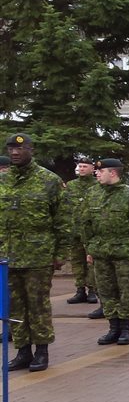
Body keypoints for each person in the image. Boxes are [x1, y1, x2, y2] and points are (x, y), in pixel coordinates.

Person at [0, 134, 69, 372]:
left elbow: (63, 220)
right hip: (9, 256)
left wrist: (60, 252)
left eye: (20, 149)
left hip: (39, 255)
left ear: (31, 150)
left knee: (38, 305)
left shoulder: (49, 181)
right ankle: (22, 352)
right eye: (11, 149)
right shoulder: (3, 181)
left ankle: (41, 351)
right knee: (14, 306)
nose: (15, 153)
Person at [80, 158, 129, 346]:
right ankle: (113, 327)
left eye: (101, 172)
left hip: (123, 252)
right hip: (100, 252)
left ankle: (126, 328)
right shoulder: (92, 195)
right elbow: (86, 224)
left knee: (125, 291)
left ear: (113, 173)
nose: (97, 174)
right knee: (105, 291)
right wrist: (89, 248)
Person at [64, 158, 99, 307]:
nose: (82, 169)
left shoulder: (97, 185)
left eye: (85, 166)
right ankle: (80, 290)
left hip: (90, 232)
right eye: (80, 166)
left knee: (91, 262)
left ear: (92, 169)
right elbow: (65, 207)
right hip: (74, 230)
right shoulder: (71, 186)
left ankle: (92, 290)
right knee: (77, 262)